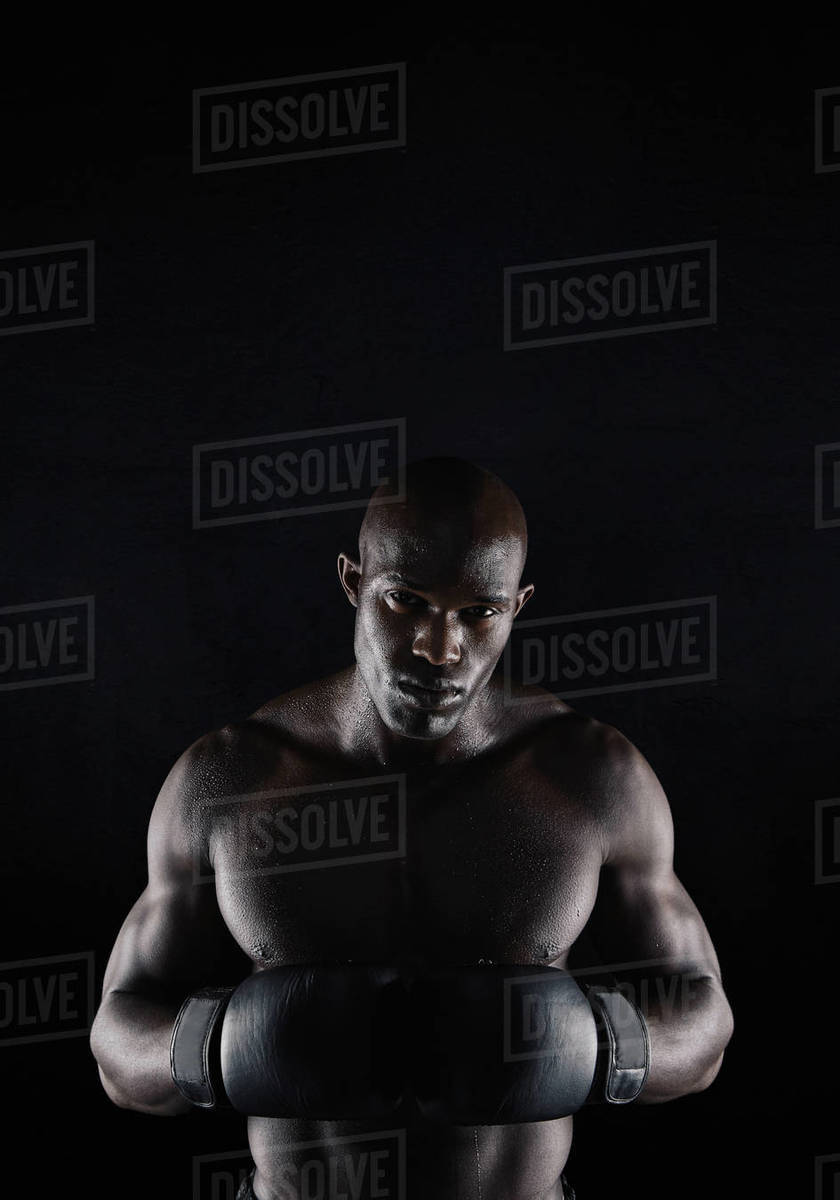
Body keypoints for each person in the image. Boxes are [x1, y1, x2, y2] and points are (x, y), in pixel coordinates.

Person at [90, 456, 734, 1200]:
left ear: (518, 606)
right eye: (407, 601)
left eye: (479, 613)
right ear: (353, 582)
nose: (439, 649)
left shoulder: (592, 778)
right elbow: (116, 1046)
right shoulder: (232, 780)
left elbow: (705, 1023)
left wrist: (593, 1046)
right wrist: (222, 1047)